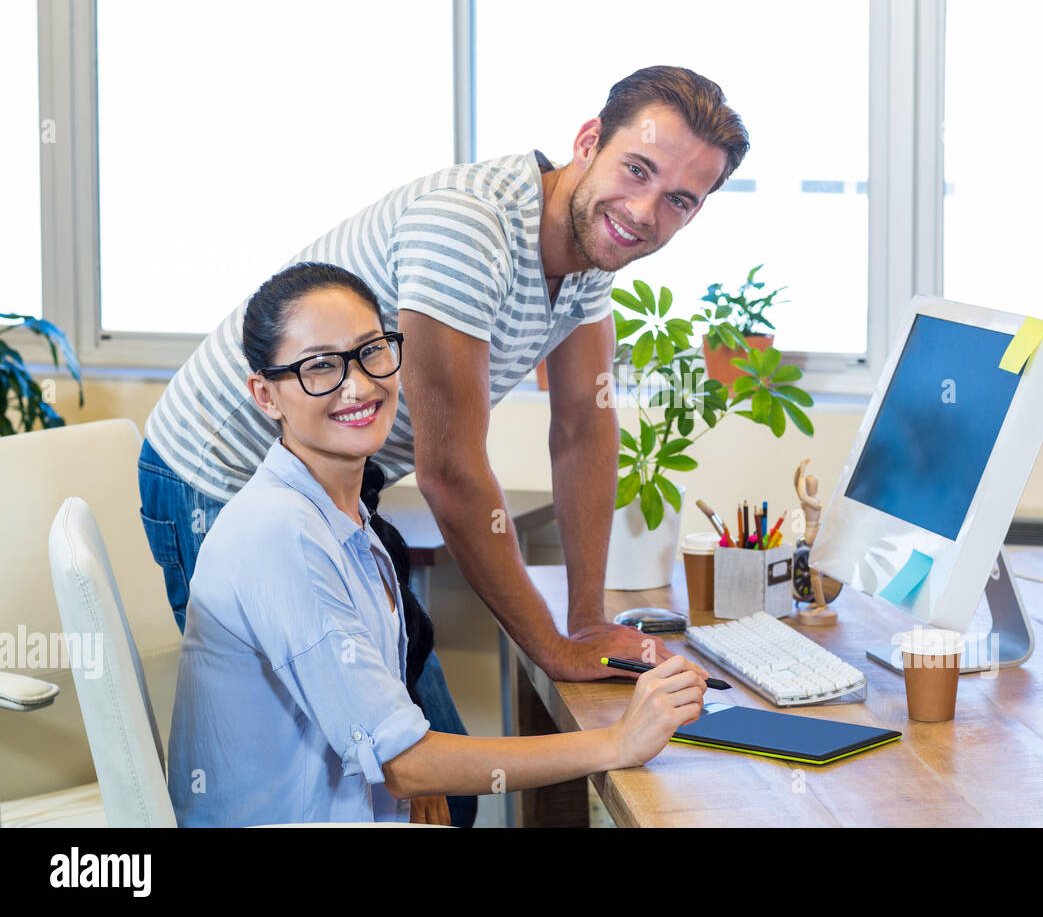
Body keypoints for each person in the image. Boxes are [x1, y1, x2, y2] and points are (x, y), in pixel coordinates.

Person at [138, 66, 748, 826]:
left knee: (435, 783)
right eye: (638, 170)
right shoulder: (472, 228)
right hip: (223, 475)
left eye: (680, 201)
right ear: (588, 142)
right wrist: (557, 652)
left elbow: (584, 428)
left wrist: (587, 622)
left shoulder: (591, 251)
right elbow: (453, 474)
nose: (646, 210)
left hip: (335, 490)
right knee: (371, 774)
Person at [167, 262, 706, 827]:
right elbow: (403, 763)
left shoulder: (344, 517)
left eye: (371, 351)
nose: (358, 384)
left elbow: (383, 739)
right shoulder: (282, 533)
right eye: (320, 366)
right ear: (265, 395)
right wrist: (616, 743)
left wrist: (404, 785)